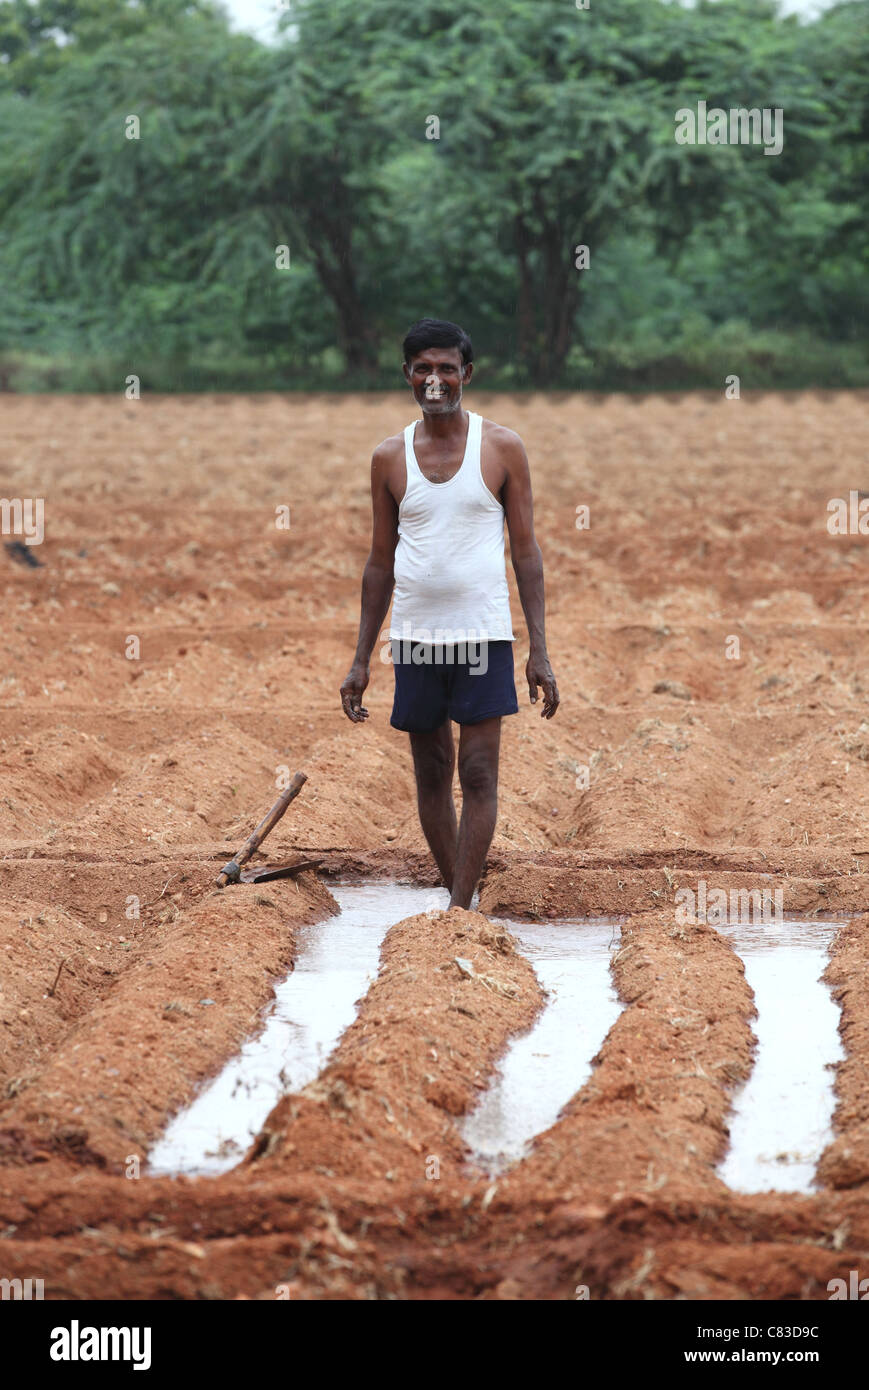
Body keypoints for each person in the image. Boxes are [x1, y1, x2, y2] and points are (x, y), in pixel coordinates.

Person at [340, 318, 559, 909]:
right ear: (407, 376)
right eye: (422, 368)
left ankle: (460, 911)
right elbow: (379, 562)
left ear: (467, 373)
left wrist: (538, 649)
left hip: (483, 637)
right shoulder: (389, 458)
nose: (434, 379)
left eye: (445, 368)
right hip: (415, 639)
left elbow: (526, 552)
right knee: (433, 774)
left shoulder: (501, 448)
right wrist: (361, 659)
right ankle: (458, 895)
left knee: (480, 774)